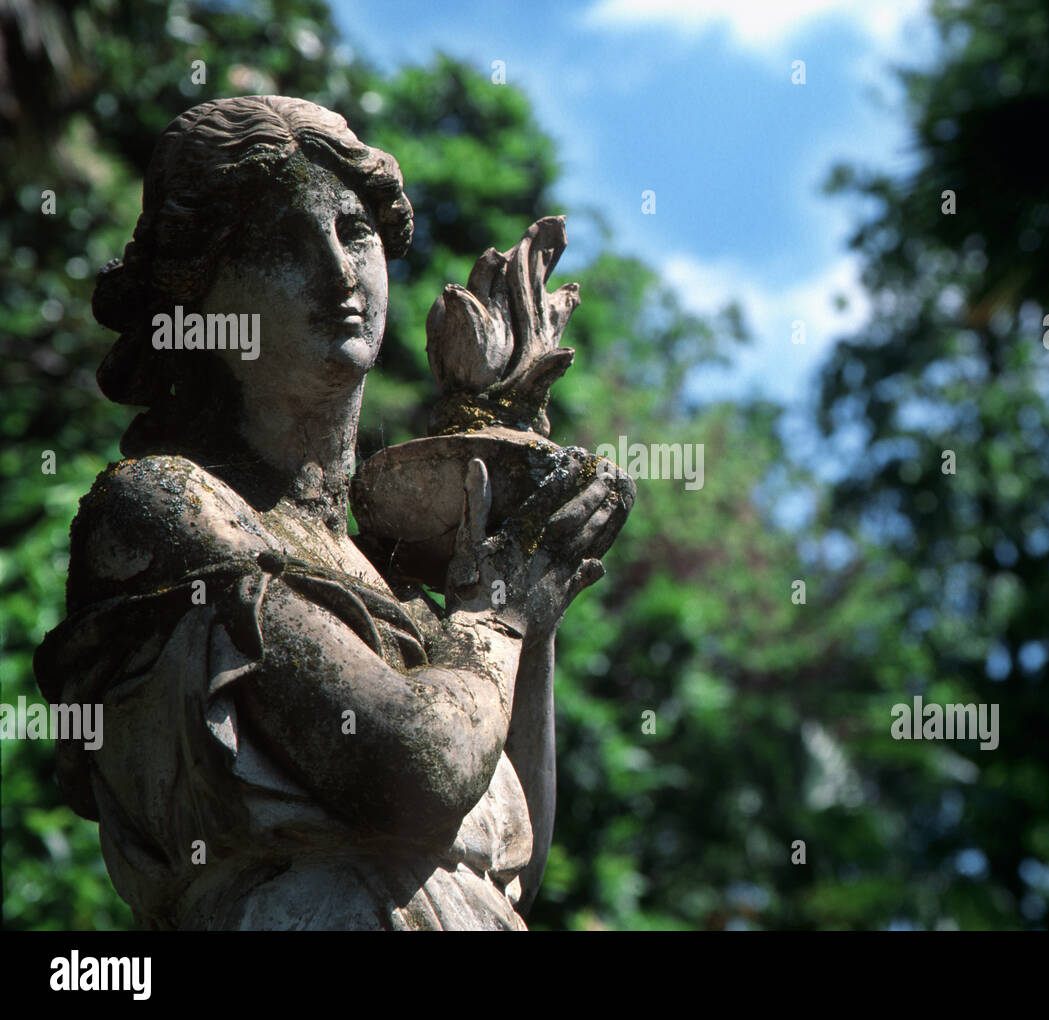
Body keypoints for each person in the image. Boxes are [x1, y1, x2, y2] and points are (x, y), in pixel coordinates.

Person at [34, 95, 631, 930]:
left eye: (355, 232)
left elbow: (509, 867)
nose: (338, 268)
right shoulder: (165, 507)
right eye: (283, 242)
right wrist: (497, 615)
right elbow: (418, 771)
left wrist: (529, 585)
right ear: (200, 297)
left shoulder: (395, 576)